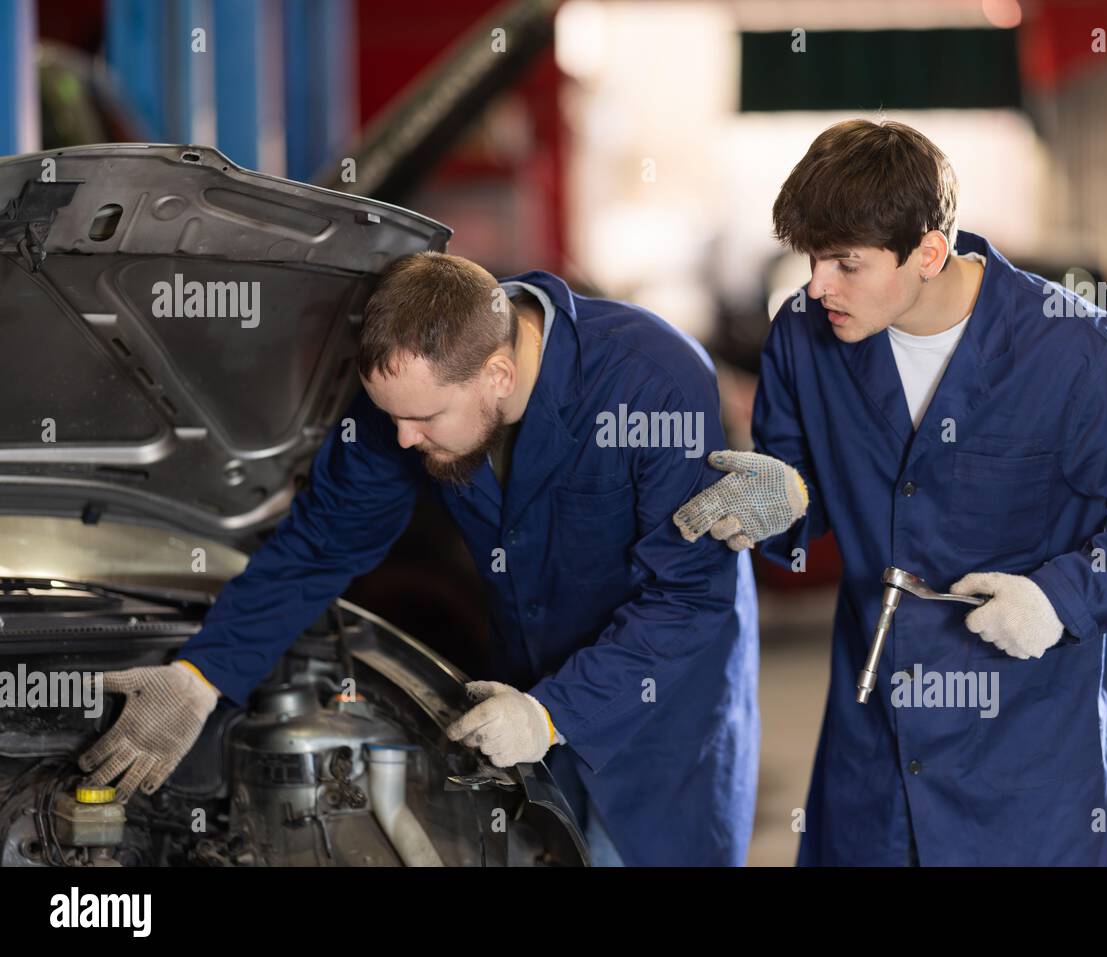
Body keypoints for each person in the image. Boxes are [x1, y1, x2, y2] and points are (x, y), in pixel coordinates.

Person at [674, 119, 1107, 866]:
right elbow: (796, 506)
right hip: (871, 759)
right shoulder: (804, 339)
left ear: (929, 251)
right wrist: (783, 504)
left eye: (847, 263)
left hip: (1029, 767)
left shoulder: (1069, 348)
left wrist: (1060, 598)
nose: (817, 285)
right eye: (812, 258)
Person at [79, 253, 759, 867]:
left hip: (658, 718)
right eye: (392, 416)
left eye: (425, 420)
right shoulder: (410, 390)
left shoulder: (654, 381)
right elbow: (324, 540)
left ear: (498, 374)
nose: (403, 439)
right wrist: (204, 672)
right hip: (524, 686)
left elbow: (689, 600)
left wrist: (551, 715)